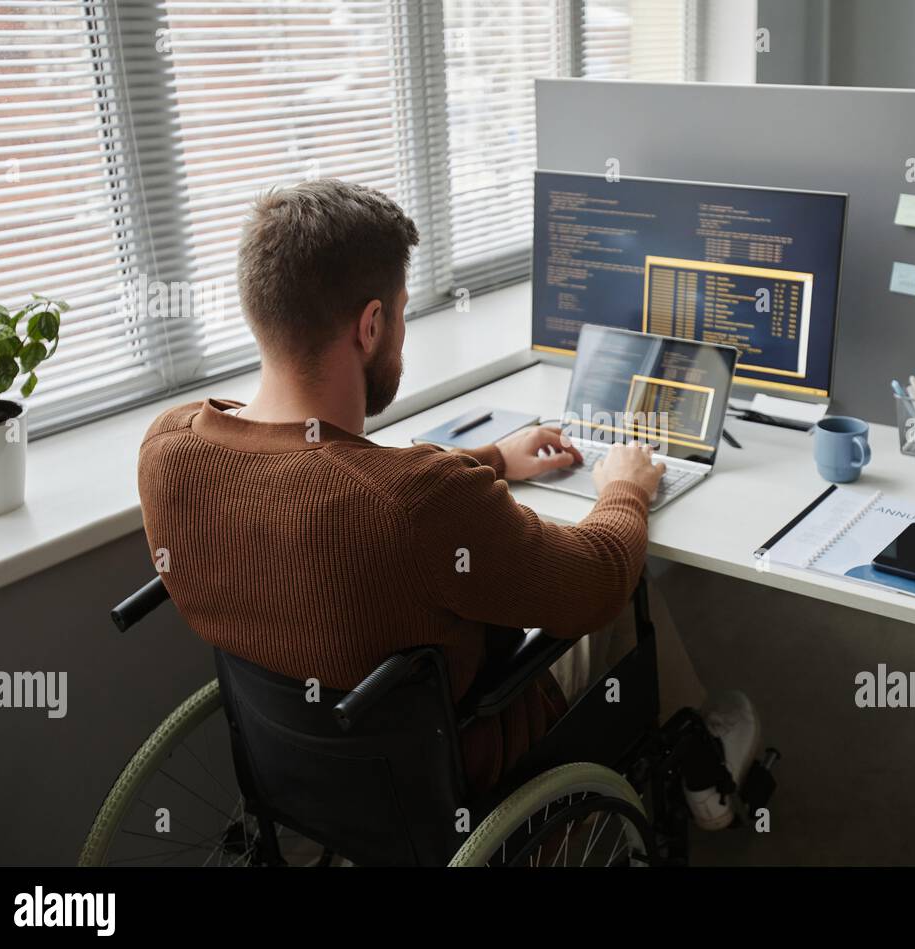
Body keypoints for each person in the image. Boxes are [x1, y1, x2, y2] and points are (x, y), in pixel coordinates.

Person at [137, 178, 757, 830]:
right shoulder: (414, 501)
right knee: (625, 582)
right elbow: (597, 574)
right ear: (371, 325)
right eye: (403, 313)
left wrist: (491, 459)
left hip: (296, 765)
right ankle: (703, 765)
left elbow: (326, 472)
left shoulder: (169, 450)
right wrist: (625, 487)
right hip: (462, 769)